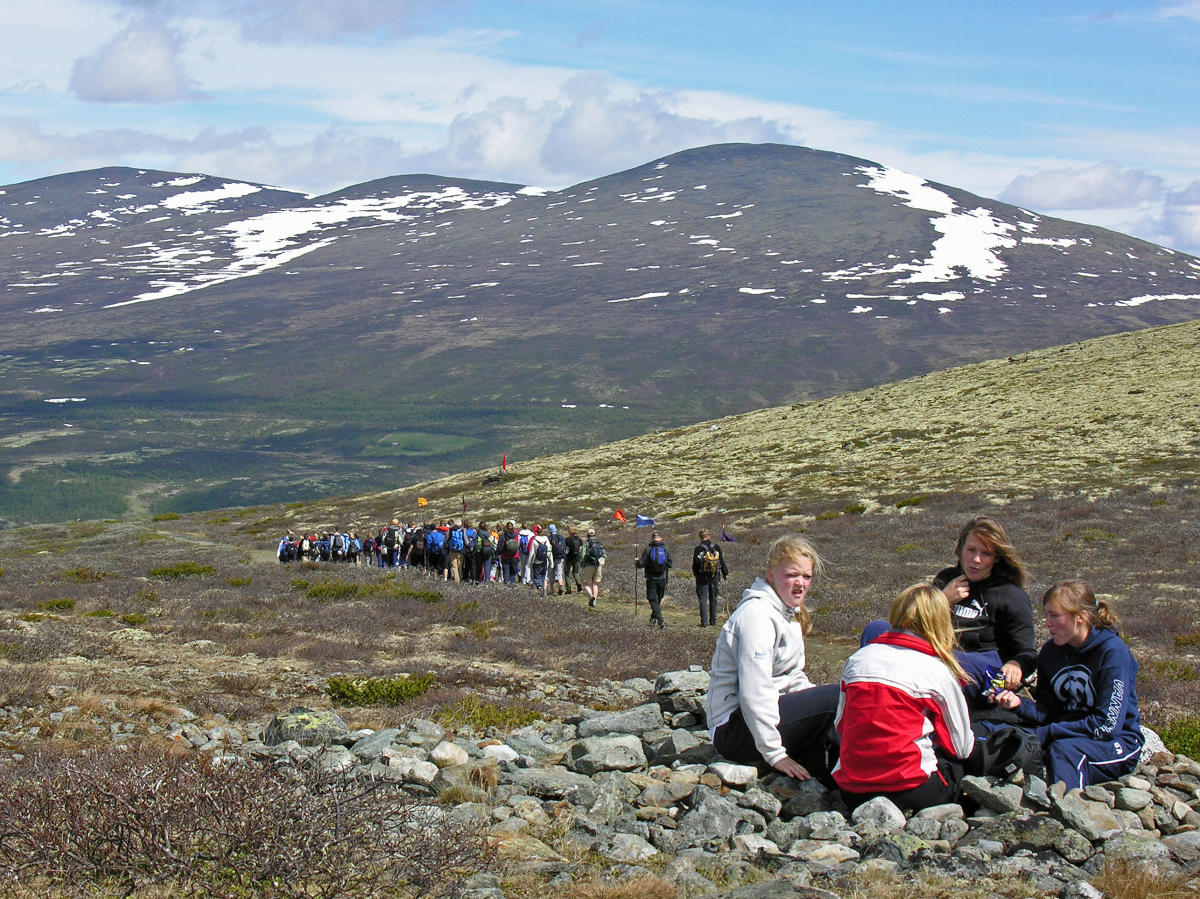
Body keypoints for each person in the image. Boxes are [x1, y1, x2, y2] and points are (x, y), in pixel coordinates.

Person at [706, 535, 840, 782]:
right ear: (771, 575)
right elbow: (753, 691)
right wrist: (775, 753)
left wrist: (814, 702)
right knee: (837, 697)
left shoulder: (788, 613)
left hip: (765, 717)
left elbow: (792, 676)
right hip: (733, 728)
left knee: (838, 710)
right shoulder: (757, 615)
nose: (800, 583)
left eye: (807, 577)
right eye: (791, 575)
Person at [834, 584, 974, 812]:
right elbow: (961, 747)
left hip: (853, 791)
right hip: (912, 788)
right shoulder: (937, 671)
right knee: (958, 763)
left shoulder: (857, 659)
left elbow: (841, 725)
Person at [991, 579, 1142, 790]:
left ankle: (1068, 815)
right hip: (1069, 733)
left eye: (1055, 615)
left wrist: (1049, 733)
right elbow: (1050, 711)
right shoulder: (1050, 653)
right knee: (1006, 734)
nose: (1047, 623)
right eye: (1046, 614)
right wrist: (1019, 704)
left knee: (1064, 751)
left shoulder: (1112, 652)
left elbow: (1107, 726)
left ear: (1080, 617)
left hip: (1118, 743)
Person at [692, 528, 729, 627]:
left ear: (700, 537)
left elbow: (695, 564)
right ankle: (713, 621)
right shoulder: (716, 547)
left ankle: (704, 623)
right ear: (709, 536)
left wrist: (696, 574)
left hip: (702, 577)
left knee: (703, 599)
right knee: (713, 598)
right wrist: (725, 573)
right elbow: (721, 561)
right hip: (715, 576)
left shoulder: (698, 549)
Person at [636, 531, 673, 629]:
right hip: (663, 578)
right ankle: (653, 619)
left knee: (653, 600)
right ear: (660, 538)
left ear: (652, 539)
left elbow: (641, 564)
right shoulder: (665, 549)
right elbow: (670, 564)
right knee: (658, 600)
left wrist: (637, 562)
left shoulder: (648, 549)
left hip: (651, 578)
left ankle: (660, 621)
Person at [579, 528, 605, 608]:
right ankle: (595, 601)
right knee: (595, 583)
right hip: (598, 565)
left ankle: (591, 596)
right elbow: (604, 555)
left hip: (588, 565)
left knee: (585, 582)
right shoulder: (600, 544)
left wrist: (582, 564)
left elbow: (582, 555)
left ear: (588, 535)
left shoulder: (586, 544)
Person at [563, 526, 584, 594]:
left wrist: (565, 556)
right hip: (577, 558)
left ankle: (568, 589)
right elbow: (581, 550)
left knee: (567, 574)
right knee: (576, 573)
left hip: (569, 558)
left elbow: (566, 550)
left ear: (570, 531)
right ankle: (579, 586)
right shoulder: (580, 540)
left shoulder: (567, 540)